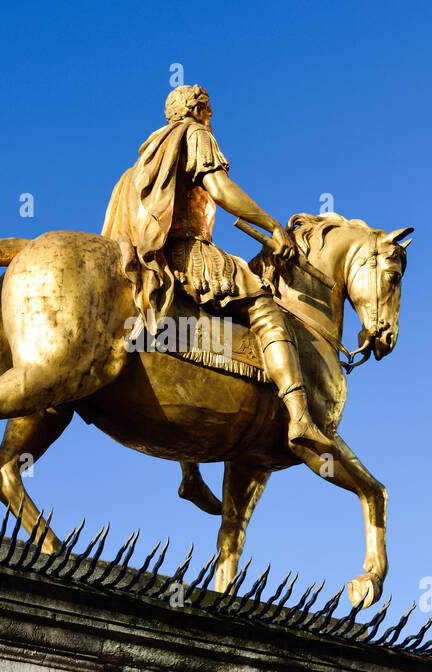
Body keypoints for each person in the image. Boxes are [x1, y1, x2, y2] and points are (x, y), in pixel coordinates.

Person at [103, 84, 330, 456]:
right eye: (208, 110)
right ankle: (300, 416)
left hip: (152, 257)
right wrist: (273, 225)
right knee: (264, 305)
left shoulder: (143, 161)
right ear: (199, 109)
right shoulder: (195, 135)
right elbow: (221, 190)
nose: (211, 117)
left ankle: (190, 467)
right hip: (188, 252)